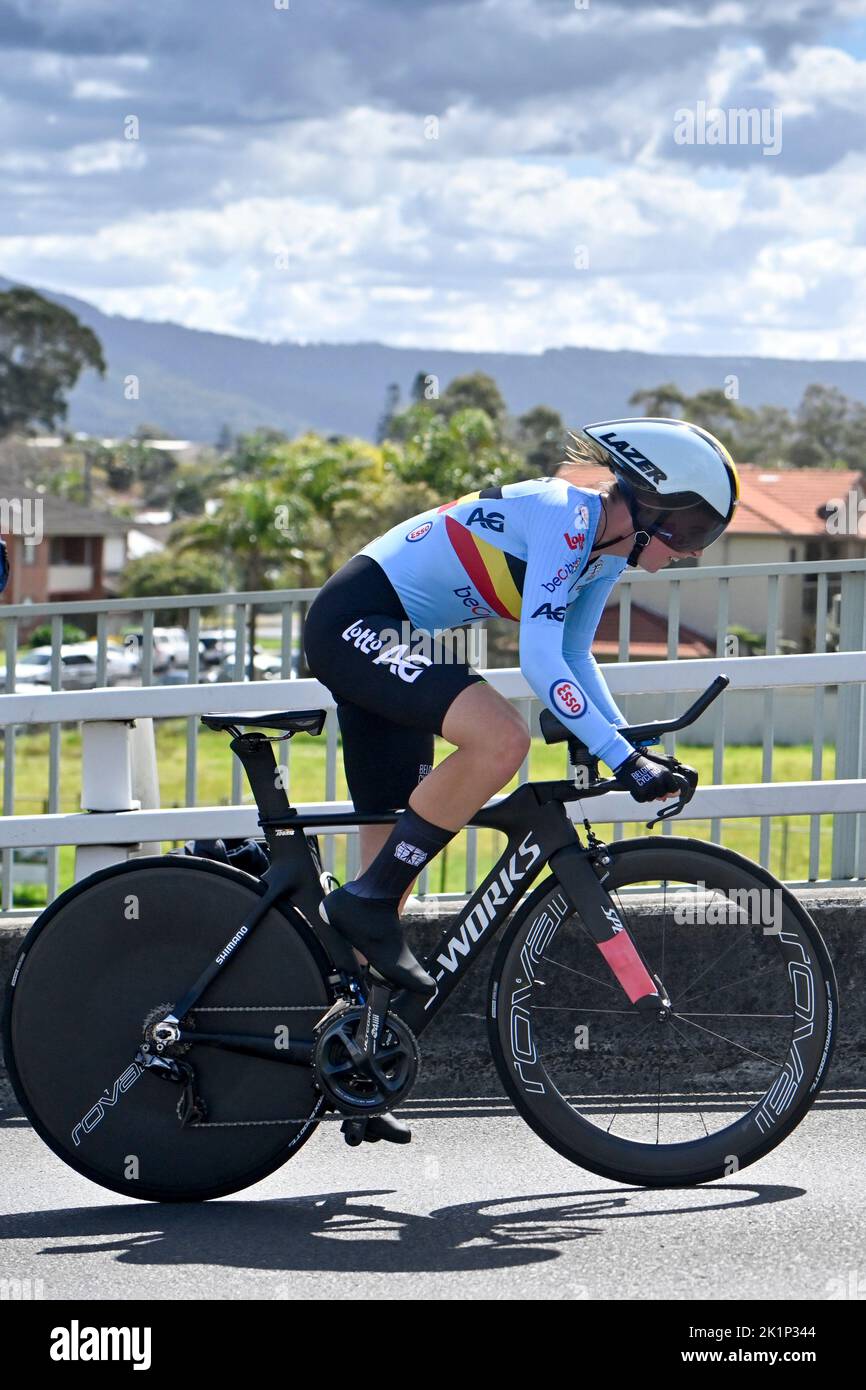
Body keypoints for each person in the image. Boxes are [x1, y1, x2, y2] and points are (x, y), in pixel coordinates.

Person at [304, 417, 740, 1005]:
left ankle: (346, 1042)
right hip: (354, 623)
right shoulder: (567, 516)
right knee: (501, 738)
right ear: (652, 503)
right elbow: (539, 662)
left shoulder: (602, 552)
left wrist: (625, 747)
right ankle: (365, 903)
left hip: (394, 638)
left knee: (386, 874)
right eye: (691, 530)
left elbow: (572, 657)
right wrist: (624, 761)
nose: (692, 550)